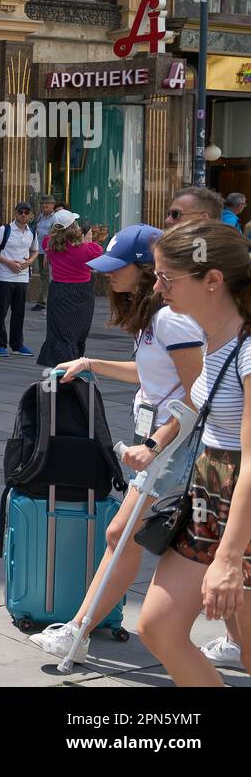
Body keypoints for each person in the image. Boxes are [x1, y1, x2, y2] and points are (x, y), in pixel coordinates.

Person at [30, 225, 208, 663]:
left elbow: (196, 392)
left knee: (121, 535)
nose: (106, 275)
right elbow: (150, 375)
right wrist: (90, 362)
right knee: (139, 539)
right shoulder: (155, 318)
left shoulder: (172, 319)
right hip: (162, 445)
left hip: (173, 448)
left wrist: (156, 441)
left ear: (148, 271)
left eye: (117, 267)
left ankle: (78, 631)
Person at [136, 221, 251, 685]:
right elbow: (197, 406)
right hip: (208, 500)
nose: (157, 286)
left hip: (239, 507)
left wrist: (229, 557)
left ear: (212, 280)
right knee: (158, 626)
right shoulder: (211, 334)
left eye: (167, 277)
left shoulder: (247, 350)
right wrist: (155, 442)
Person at [36, 208, 103, 368]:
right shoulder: (88, 249)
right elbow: (99, 256)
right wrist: (87, 241)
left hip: (59, 291)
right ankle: (73, 365)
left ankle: (59, 364)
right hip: (82, 293)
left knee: (59, 333)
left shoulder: (49, 245)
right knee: (78, 333)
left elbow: (50, 242)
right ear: (75, 227)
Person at [0, 201, 38, 357]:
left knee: (19, 313)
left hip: (22, 279)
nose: (23, 215)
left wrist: (30, 261)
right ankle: (0, 345)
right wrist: (8, 262)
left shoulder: (32, 232)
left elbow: (35, 250)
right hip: (3, 278)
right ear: (15, 213)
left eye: (26, 212)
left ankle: (17, 344)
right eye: (20, 212)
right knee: (0, 313)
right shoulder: (5, 230)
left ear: (30, 215)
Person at [30, 195, 57, 312]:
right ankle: (43, 299)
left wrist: (48, 251)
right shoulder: (40, 216)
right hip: (39, 250)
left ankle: (44, 301)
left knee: (46, 275)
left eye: (47, 204)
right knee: (43, 275)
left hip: (48, 251)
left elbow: (54, 235)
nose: (45, 206)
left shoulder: (55, 218)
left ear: (53, 205)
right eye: (43, 204)